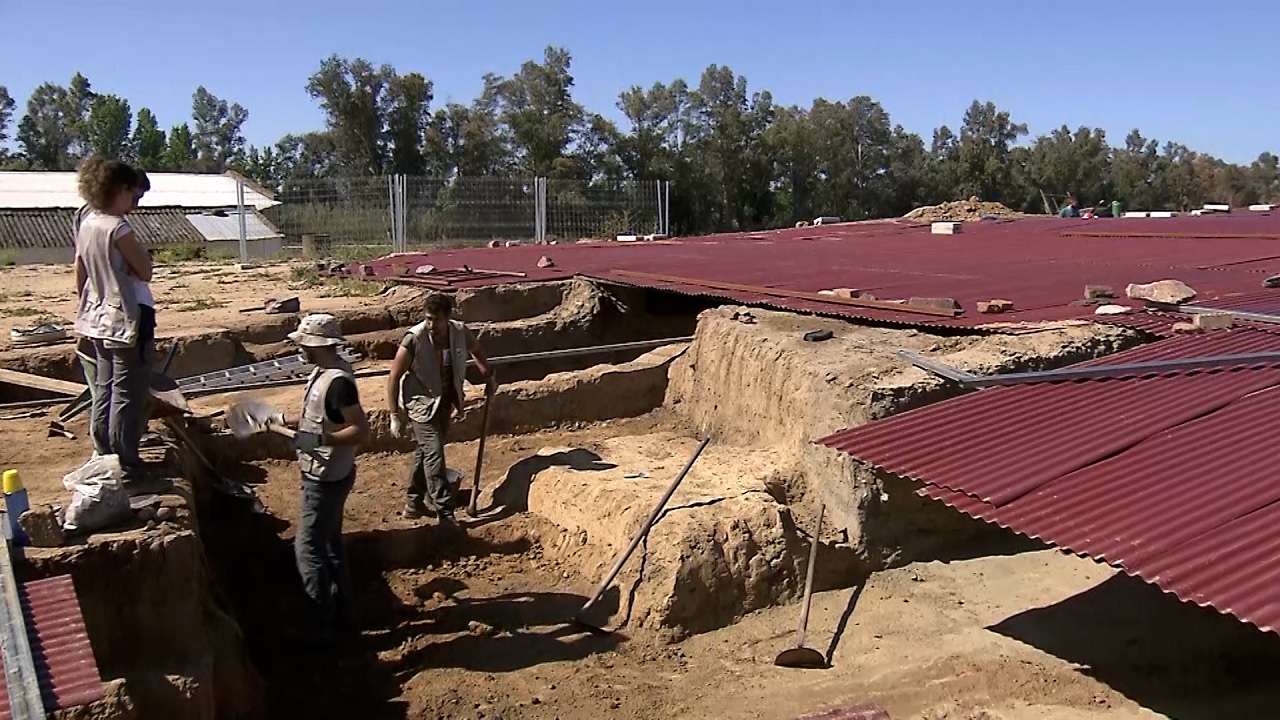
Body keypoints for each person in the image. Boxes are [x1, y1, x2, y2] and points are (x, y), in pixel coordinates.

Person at [279, 313, 371, 637]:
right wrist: (280, 420)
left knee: (307, 549)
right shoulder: (324, 375)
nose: (299, 348)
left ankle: (321, 623)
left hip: (327, 478)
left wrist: (320, 441)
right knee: (330, 544)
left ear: (316, 345)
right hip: (327, 470)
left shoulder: (338, 384)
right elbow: (317, 419)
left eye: (302, 343)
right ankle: (345, 613)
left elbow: (360, 430)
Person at [73, 157, 153, 479]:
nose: (134, 204)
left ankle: (102, 451)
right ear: (119, 189)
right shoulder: (117, 227)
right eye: (133, 196)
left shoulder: (88, 224)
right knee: (127, 390)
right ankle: (126, 462)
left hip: (97, 316)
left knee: (104, 386)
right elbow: (145, 270)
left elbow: (79, 271)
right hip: (125, 318)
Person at [386, 293, 493, 530]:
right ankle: (445, 513)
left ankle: (413, 503)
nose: (431, 325)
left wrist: (488, 375)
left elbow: (476, 348)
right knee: (434, 453)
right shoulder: (414, 339)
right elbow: (394, 376)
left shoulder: (459, 332)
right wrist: (395, 414)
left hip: (445, 401)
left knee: (426, 452)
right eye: (427, 319)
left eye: (435, 319)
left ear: (448, 317)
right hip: (419, 403)